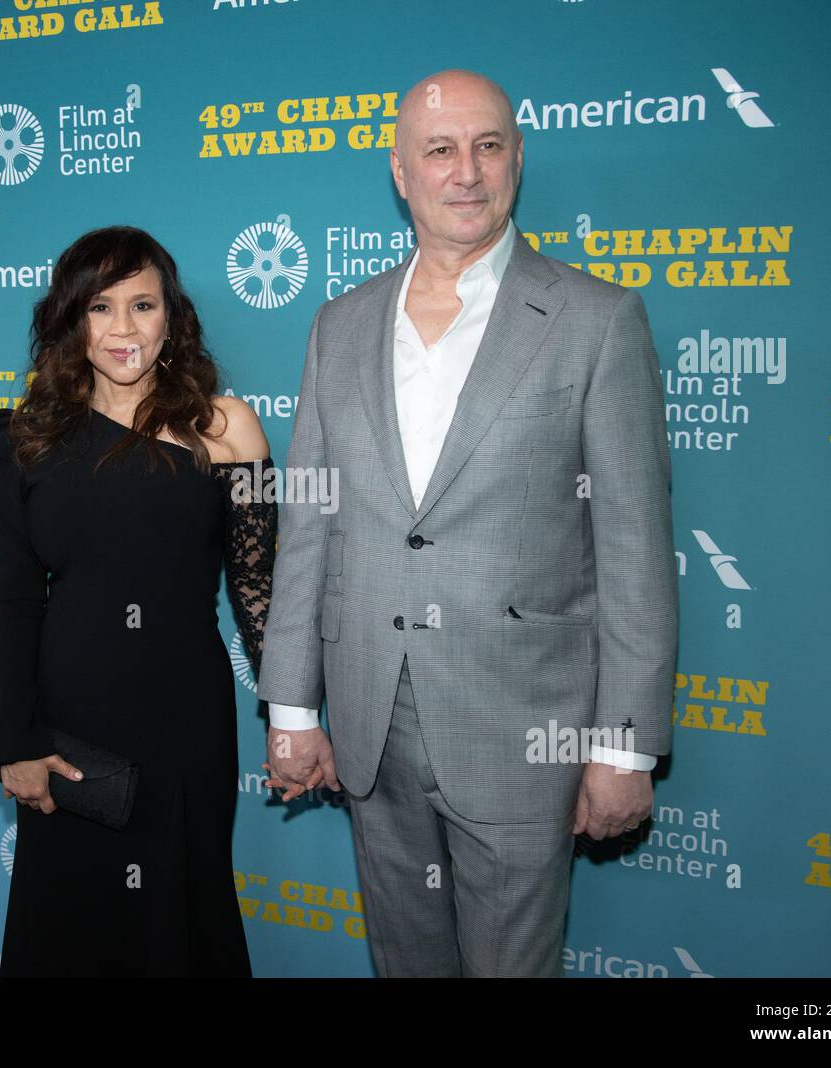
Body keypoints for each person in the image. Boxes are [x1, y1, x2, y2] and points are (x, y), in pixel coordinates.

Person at [258, 69, 678, 977]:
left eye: (489, 146)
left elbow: (635, 549)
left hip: (527, 731)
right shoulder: (341, 324)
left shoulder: (595, 321)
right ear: (401, 173)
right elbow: (313, 526)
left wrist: (625, 745)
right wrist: (291, 706)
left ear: (518, 160)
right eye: (440, 150)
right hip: (372, 724)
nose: (467, 171)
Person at [0, 225, 276, 977]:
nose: (123, 329)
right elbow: (16, 596)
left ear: (171, 316)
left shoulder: (228, 428)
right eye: (100, 307)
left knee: (182, 910)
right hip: (66, 729)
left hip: (185, 722)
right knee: (69, 927)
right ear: (70, 319)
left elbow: (260, 592)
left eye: (142, 305)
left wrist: (292, 718)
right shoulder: (23, 437)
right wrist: (14, 740)